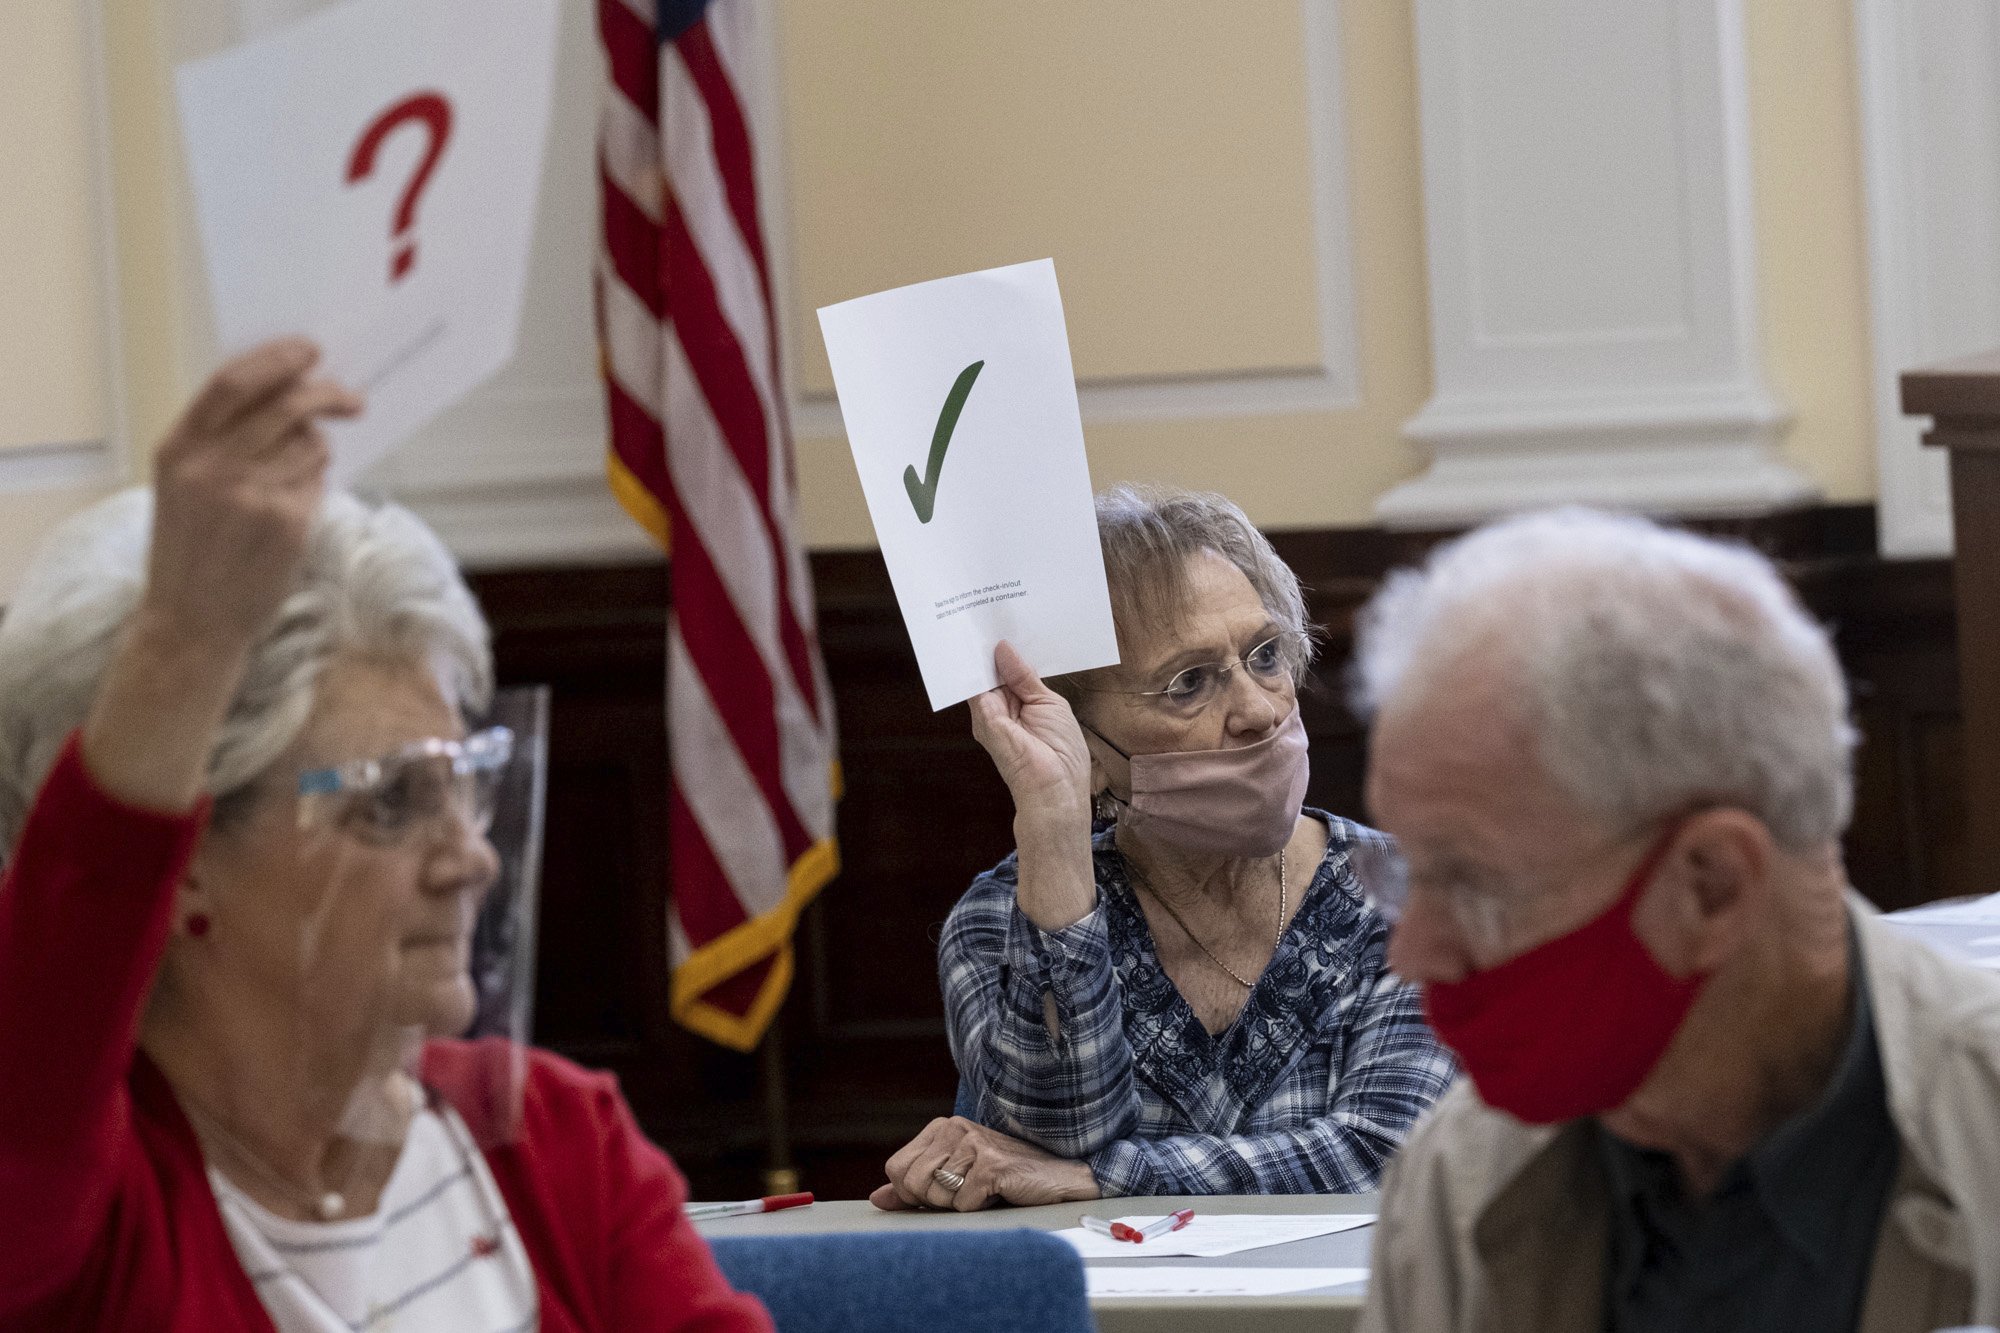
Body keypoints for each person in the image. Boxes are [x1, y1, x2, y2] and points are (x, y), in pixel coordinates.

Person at [0, 339, 770, 1331]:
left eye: (468, 783)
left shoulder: (552, 1141)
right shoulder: (90, 1220)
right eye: (390, 803)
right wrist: (188, 639)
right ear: (179, 865)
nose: (471, 857)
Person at [1352, 508, 2000, 1332]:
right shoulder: (1462, 1179)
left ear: (1714, 883)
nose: (1412, 954)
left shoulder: (1983, 1143)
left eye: (1474, 884)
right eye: (1406, 871)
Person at [872, 485, 1454, 1212]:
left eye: (1266, 654)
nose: (1258, 709)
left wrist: (1105, 1178)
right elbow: (1048, 1143)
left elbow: (1385, 1154)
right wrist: (1054, 831)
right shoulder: (995, 920)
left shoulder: (1409, 890)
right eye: (1190, 683)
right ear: (1084, 741)